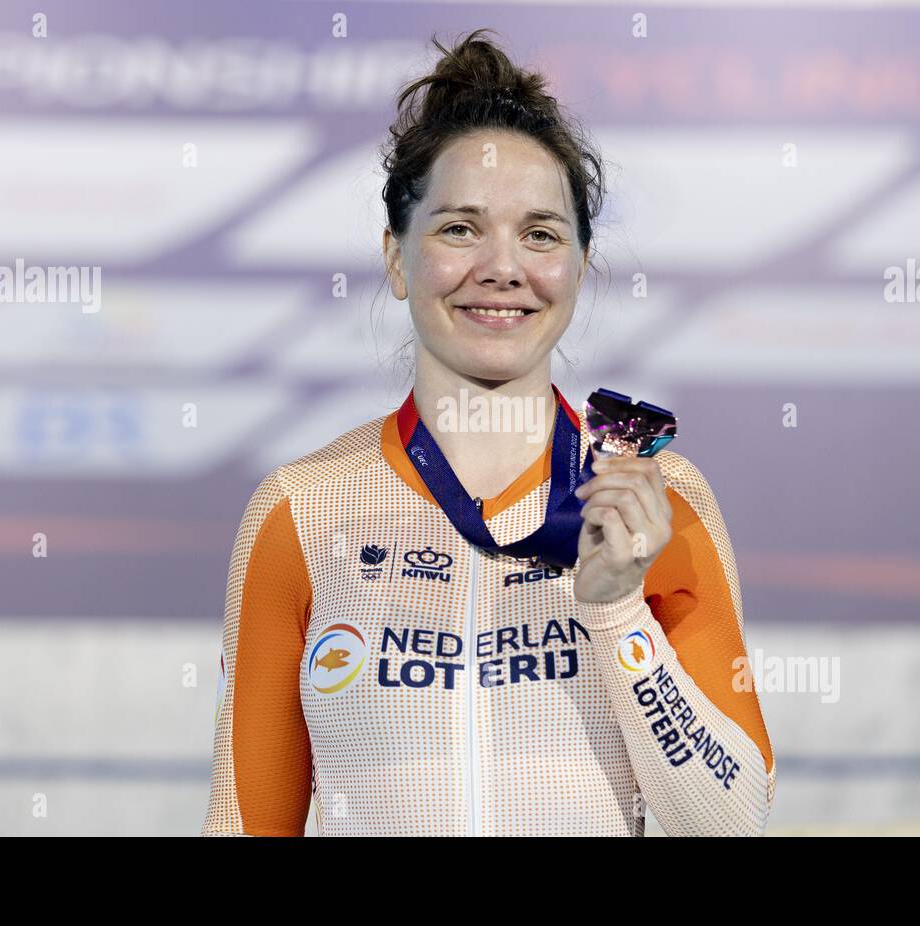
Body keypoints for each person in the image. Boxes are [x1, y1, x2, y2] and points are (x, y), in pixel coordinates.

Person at [202, 28, 774, 837]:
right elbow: (244, 827)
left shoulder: (660, 501)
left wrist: (616, 615)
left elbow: (731, 825)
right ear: (398, 259)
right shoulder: (302, 510)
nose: (502, 267)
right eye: (460, 228)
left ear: (580, 264)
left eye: (540, 233)